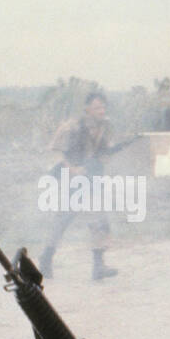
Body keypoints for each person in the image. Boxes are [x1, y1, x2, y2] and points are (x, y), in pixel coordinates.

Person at [41, 91, 121, 281]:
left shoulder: (105, 127)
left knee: (98, 218)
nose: (101, 111)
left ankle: (98, 265)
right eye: (97, 107)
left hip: (91, 178)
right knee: (63, 220)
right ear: (87, 109)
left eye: (103, 107)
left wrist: (105, 156)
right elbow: (54, 152)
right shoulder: (71, 127)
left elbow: (104, 152)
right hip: (71, 179)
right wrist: (72, 169)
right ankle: (46, 258)